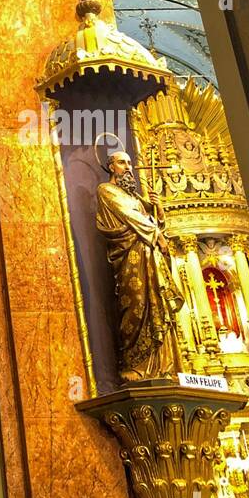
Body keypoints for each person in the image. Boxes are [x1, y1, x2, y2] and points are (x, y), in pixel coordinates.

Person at [96, 149, 184, 380]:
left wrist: (159, 209)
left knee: (158, 303)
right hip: (131, 258)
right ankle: (137, 365)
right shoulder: (106, 191)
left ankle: (165, 364)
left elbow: (153, 222)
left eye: (129, 163)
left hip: (150, 256)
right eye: (122, 163)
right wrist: (157, 234)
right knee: (136, 304)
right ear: (110, 167)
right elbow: (132, 219)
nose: (128, 167)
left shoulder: (136, 198)